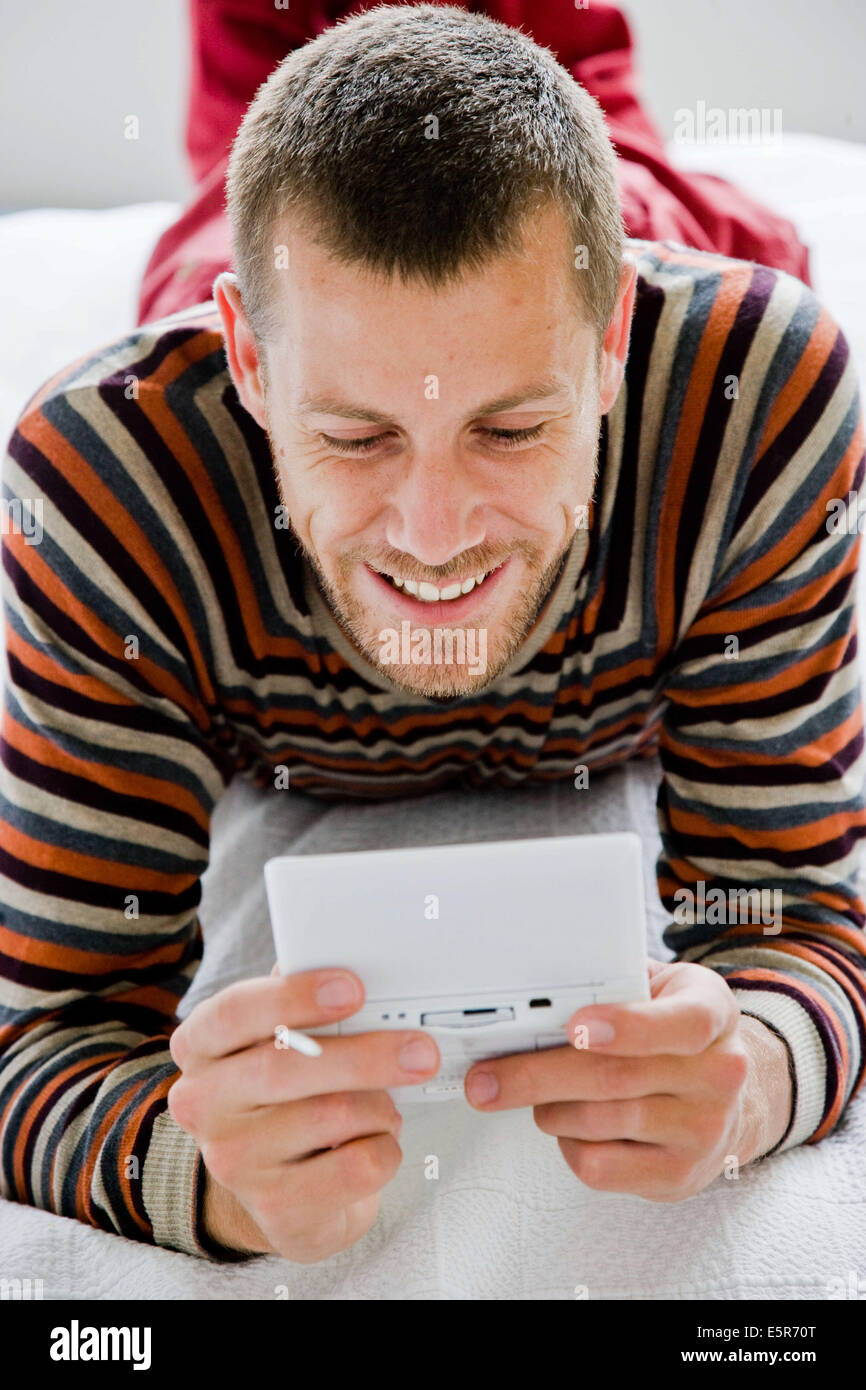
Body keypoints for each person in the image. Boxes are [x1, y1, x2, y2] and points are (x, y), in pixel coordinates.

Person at [2, 5, 863, 1265]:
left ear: (613, 338)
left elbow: (801, 922)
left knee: (606, 112)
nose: (434, 532)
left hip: (655, 228)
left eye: (509, 430)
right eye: (354, 436)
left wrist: (756, 1077)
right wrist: (201, 1174)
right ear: (243, 354)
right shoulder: (104, 490)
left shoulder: (759, 400)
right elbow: (43, 1038)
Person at [138, 0, 812, 325]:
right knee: (212, 282)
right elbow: (242, 153)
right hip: (310, 165)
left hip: (550, 147)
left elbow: (603, 97)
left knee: (690, 239)